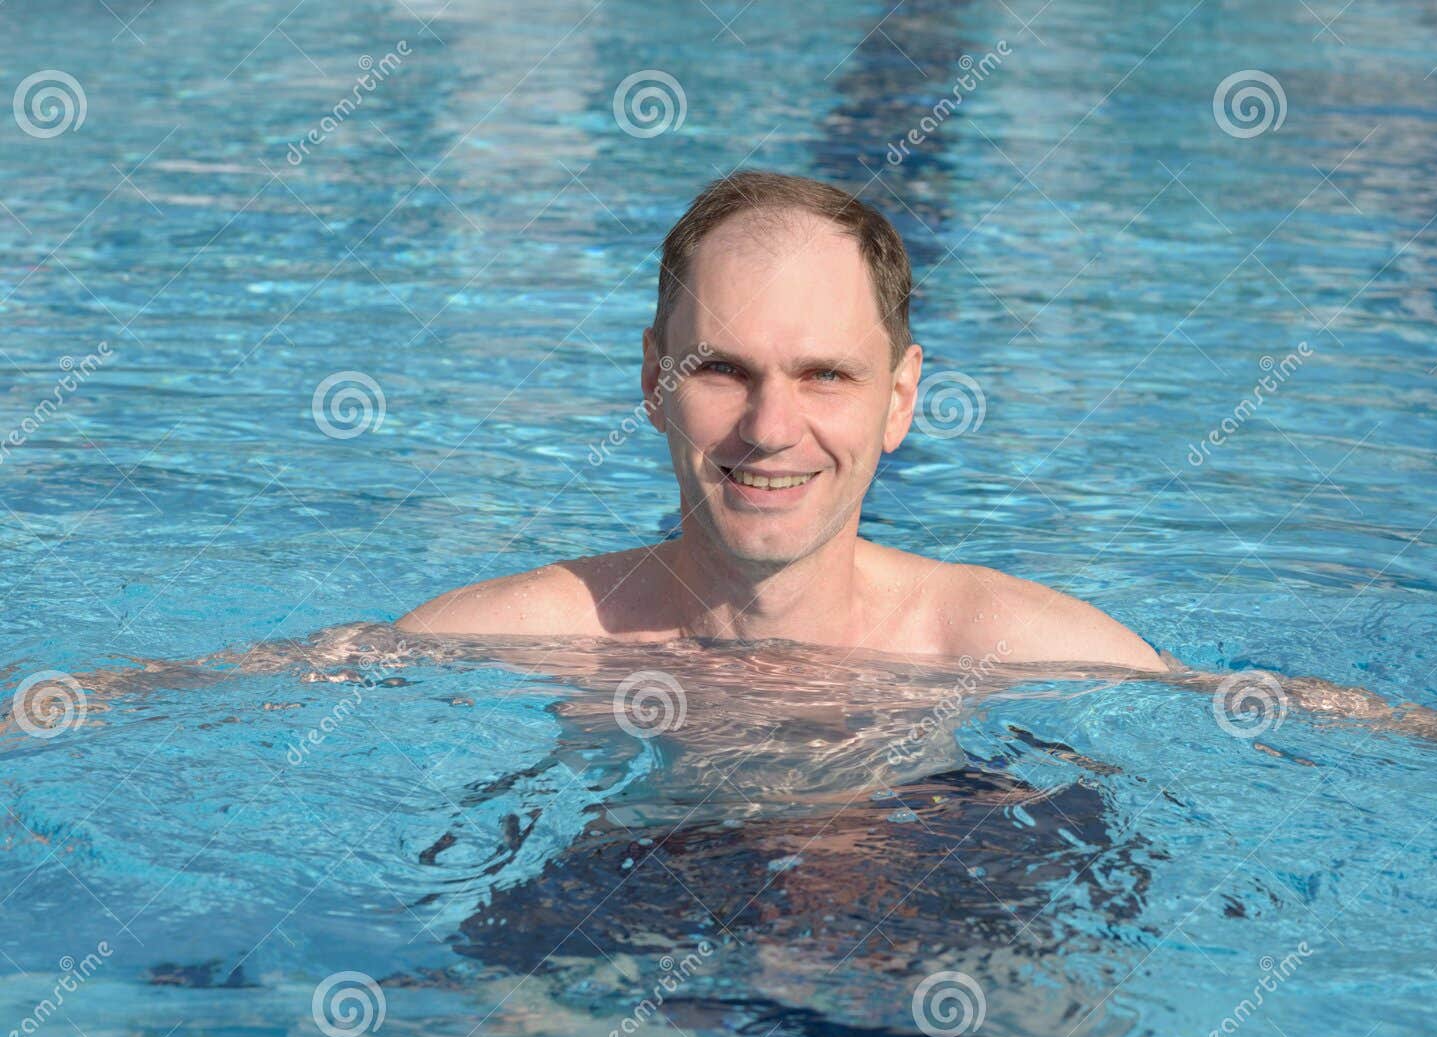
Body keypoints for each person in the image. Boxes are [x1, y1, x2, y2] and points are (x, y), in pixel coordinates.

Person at [398, 170, 1162, 670]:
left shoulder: (1019, 651)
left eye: (824, 375)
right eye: (722, 369)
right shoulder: (515, 638)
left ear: (899, 400)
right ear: (653, 382)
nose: (770, 429)